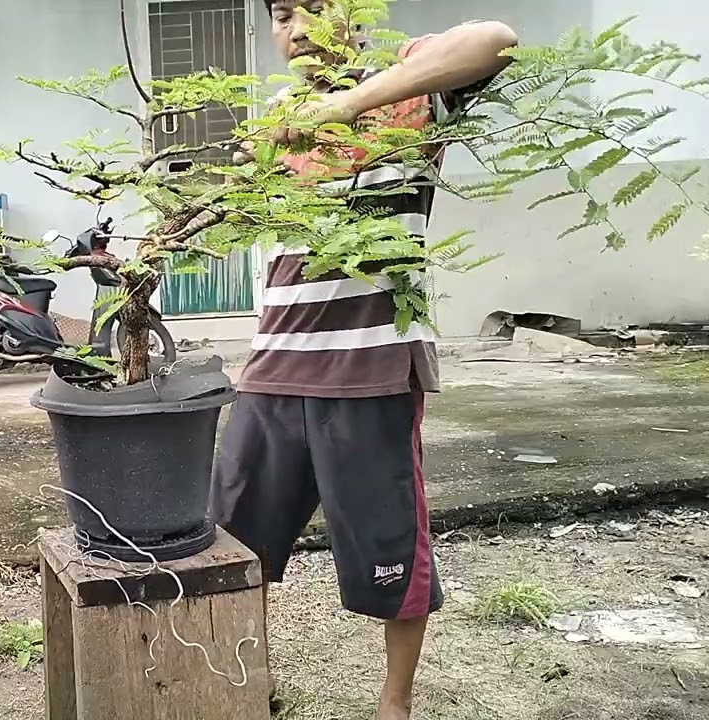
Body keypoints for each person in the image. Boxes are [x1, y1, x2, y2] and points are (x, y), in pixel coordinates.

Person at [209, 2, 518, 719]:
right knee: (233, 548)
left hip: (371, 370)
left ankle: (395, 705)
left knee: (392, 556)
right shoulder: (279, 117)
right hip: (273, 367)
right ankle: (247, 683)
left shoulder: (410, 85)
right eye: (280, 15)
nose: (291, 30)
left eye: (311, 8)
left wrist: (343, 106)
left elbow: (496, 43)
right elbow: (261, 224)